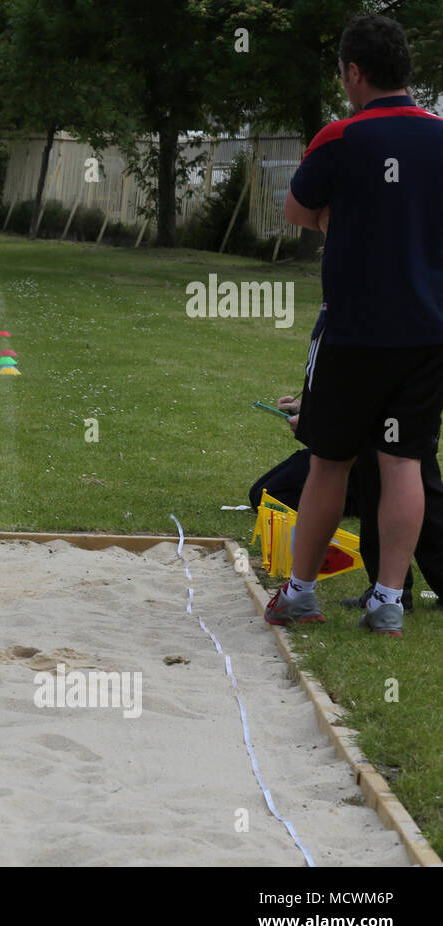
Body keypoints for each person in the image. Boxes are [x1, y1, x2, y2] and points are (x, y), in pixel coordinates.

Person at [270, 13, 443, 637]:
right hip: (426, 333)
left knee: (329, 461)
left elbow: (296, 210)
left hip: (351, 334)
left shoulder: (339, 137)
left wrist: (346, 222)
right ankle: (389, 600)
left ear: (353, 72)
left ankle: (301, 593)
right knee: (405, 463)